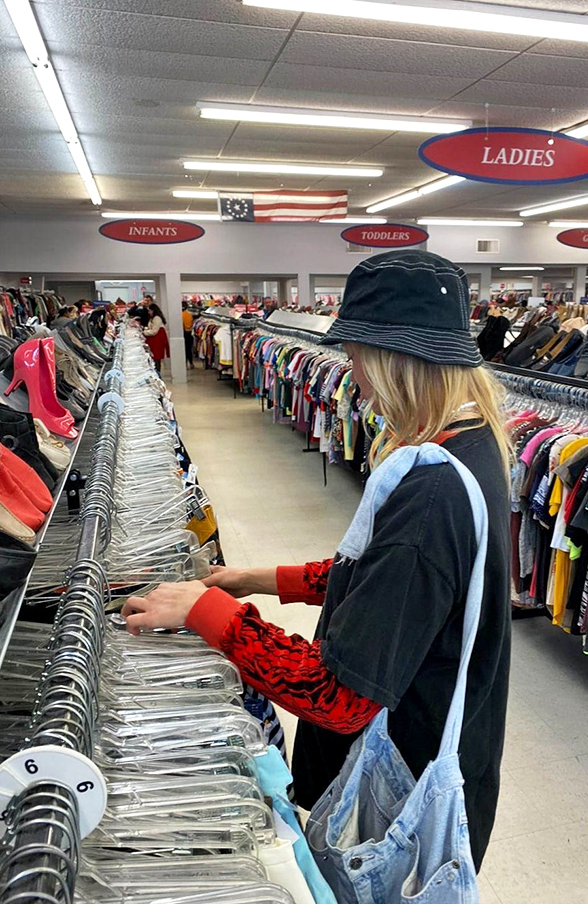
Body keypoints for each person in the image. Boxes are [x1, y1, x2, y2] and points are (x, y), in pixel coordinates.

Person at [121, 250, 512, 871]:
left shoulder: (431, 493)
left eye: (357, 360)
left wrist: (211, 614)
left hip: (400, 788)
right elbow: (380, 578)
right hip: (437, 746)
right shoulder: (470, 445)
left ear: (395, 361)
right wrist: (254, 579)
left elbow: (337, 695)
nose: (353, 380)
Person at [143, 302, 169, 373]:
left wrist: (144, 332)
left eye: (149, 311)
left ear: (153, 310)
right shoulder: (153, 318)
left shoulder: (157, 318)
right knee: (155, 357)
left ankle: (157, 373)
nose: (148, 312)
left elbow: (154, 331)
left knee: (156, 357)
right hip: (155, 340)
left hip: (157, 341)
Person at [182, 301, 194, 369]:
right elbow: (191, 324)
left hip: (183, 334)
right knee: (189, 349)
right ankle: (191, 363)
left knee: (184, 350)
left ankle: (185, 364)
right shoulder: (189, 315)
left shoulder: (180, 315)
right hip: (189, 334)